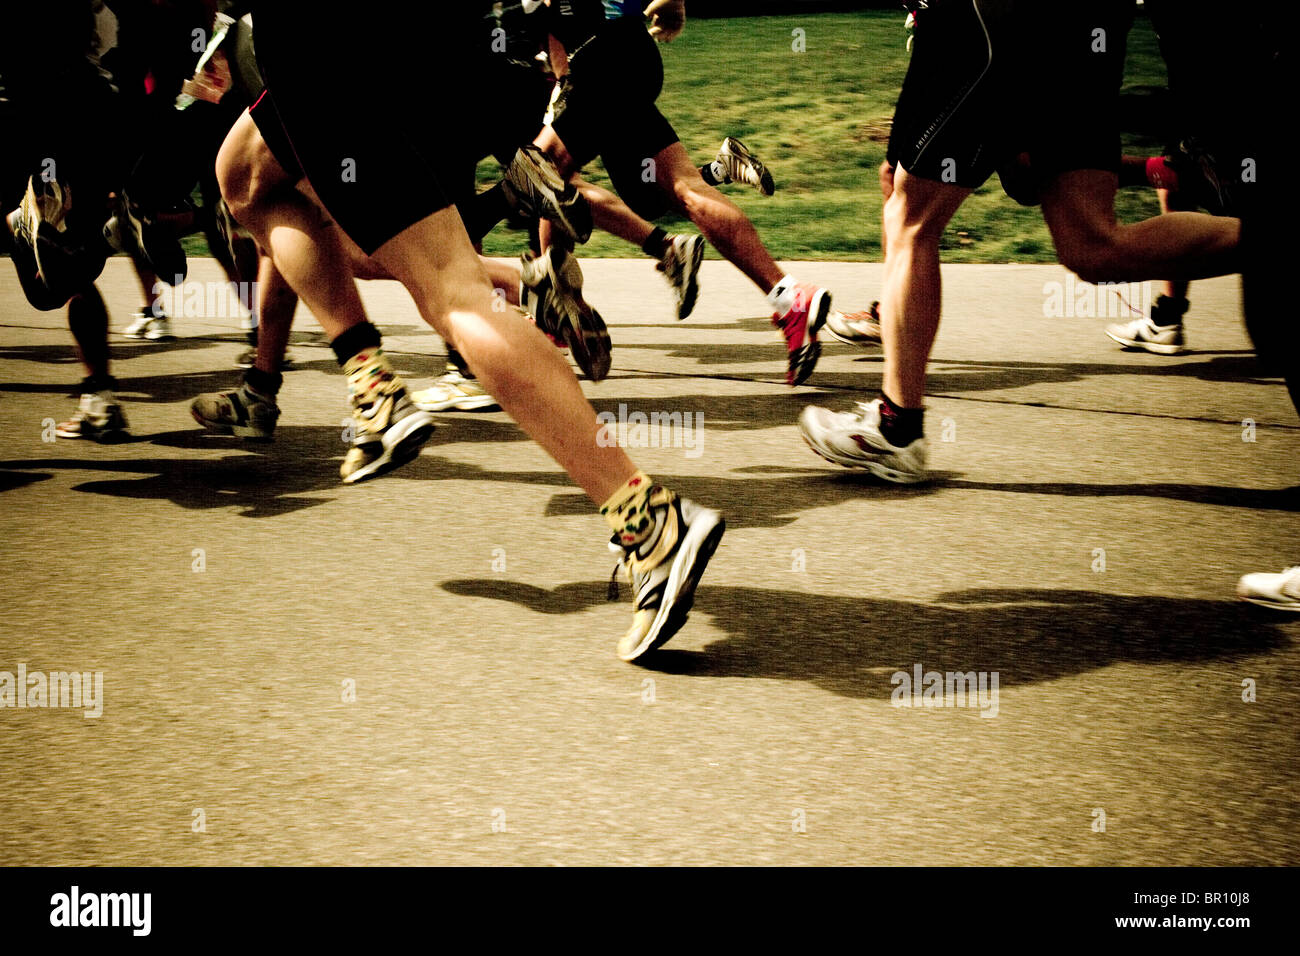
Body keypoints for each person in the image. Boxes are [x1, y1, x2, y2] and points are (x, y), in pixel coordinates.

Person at [224, 0, 724, 658]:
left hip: (324, 41)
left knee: (451, 289)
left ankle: (649, 521)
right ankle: (373, 378)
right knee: (245, 176)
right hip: (411, 37)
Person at [798, 0, 1242, 483]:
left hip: (989, 21)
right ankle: (1280, 240)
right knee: (1092, 245)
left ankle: (897, 429)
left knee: (910, 216)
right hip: (1087, 26)